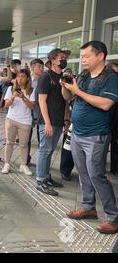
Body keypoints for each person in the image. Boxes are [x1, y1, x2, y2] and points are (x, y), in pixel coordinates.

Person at [62, 41, 118, 234]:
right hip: (77, 132)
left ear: (100, 55)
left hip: (97, 135)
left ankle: (112, 216)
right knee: (83, 172)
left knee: (96, 174)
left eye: (87, 56)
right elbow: (68, 98)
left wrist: (77, 91)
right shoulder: (84, 75)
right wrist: (67, 86)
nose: (83, 60)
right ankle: (88, 207)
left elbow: (106, 104)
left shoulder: (110, 78)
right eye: (82, 56)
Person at [35, 48, 71, 196]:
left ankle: (46, 176)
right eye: (61, 57)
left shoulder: (63, 77)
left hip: (58, 120)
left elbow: (66, 100)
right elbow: (41, 101)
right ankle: (40, 180)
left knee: (50, 150)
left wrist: (66, 119)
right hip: (47, 121)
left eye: (65, 57)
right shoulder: (46, 76)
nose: (64, 60)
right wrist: (47, 123)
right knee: (45, 149)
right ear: (53, 60)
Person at [2, 69, 35, 175]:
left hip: (25, 121)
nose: (20, 79)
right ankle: (7, 163)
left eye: (23, 76)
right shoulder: (11, 89)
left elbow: (32, 106)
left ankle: (23, 165)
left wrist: (23, 97)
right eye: (18, 76)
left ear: (27, 79)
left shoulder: (32, 91)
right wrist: (13, 97)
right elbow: (6, 104)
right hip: (11, 119)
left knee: (24, 144)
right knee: (9, 142)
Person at [27, 58, 45, 165]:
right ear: (32, 68)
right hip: (29, 111)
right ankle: (26, 158)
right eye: (39, 66)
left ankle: (40, 159)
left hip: (41, 111)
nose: (41, 69)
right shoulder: (28, 81)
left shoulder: (46, 79)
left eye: (42, 67)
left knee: (41, 136)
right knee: (27, 136)